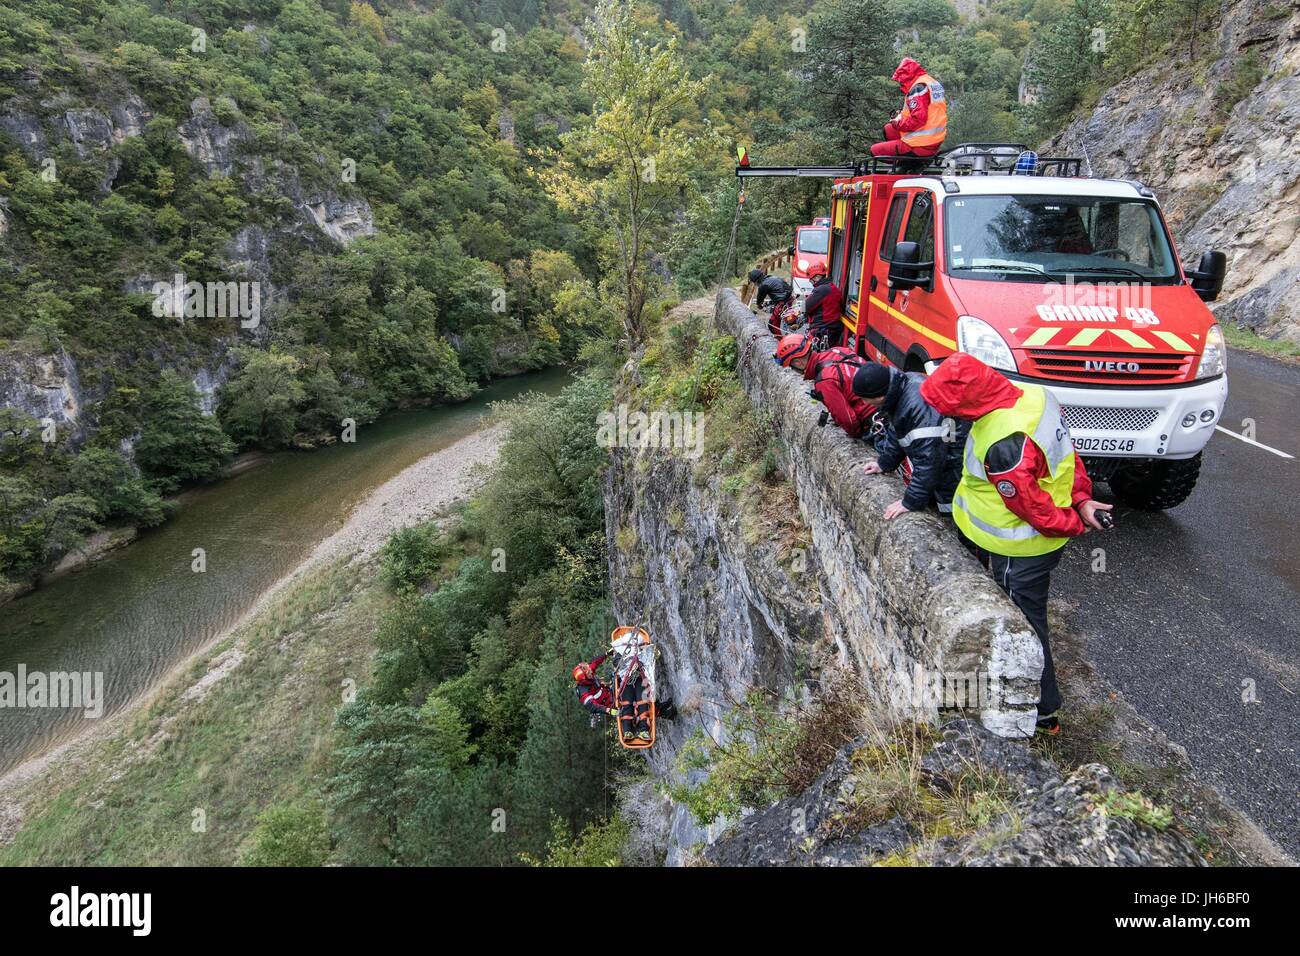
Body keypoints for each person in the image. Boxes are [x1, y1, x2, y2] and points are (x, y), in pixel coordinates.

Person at [917, 353, 1114, 734]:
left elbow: (1031, 507)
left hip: (1017, 548)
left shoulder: (1004, 442)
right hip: (1005, 536)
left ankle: (1043, 712)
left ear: (968, 403)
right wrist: (1081, 498)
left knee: (1024, 623)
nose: (953, 420)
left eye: (953, 411)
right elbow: (1065, 458)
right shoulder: (1032, 396)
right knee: (1018, 615)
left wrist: (1072, 520)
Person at [852, 362, 966, 519]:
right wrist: (884, 463)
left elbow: (929, 459)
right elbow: (897, 432)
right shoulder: (900, 387)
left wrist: (910, 501)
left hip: (954, 463)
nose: (865, 403)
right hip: (944, 455)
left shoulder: (918, 407)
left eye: (865, 399)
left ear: (880, 396)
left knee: (953, 512)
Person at [774, 333, 877, 439]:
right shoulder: (837, 350)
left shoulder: (824, 380)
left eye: (792, 367)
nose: (794, 371)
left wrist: (857, 435)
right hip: (886, 402)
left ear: (799, 363)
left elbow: (849, 422)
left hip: (876, 418)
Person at [572, 654, 676, 742]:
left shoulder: (587, 675)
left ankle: (659, 706)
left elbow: (595, 663)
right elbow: (592, 706)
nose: (591, 672)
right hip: (611, 704)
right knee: (635, 702)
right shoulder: (583, 691)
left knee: (636, 686)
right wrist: (611, 711)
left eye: (590, 670)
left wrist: (606, 654)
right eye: (589, 672)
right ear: (584, 678)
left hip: (611, 693)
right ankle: (664, 714)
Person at [870, 58, 948, 160]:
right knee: (888, 129)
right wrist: (901, 116)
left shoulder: (918, 89)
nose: (900, 84)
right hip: (935, 137)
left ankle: (906, 165)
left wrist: (897, 122)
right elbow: (927, 110)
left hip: (922, 142)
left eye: (901, 80)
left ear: (906, 76)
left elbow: (918, 120)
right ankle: (907, 160)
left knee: (875, 151)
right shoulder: (930, 81)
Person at [803, 267, 844, 348]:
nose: (810, 282)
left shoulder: (821, 289)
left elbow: (805, 307)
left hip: (822, 328)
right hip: (832, 328)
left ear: (817, 277)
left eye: (811, 279)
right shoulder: (832, 287)